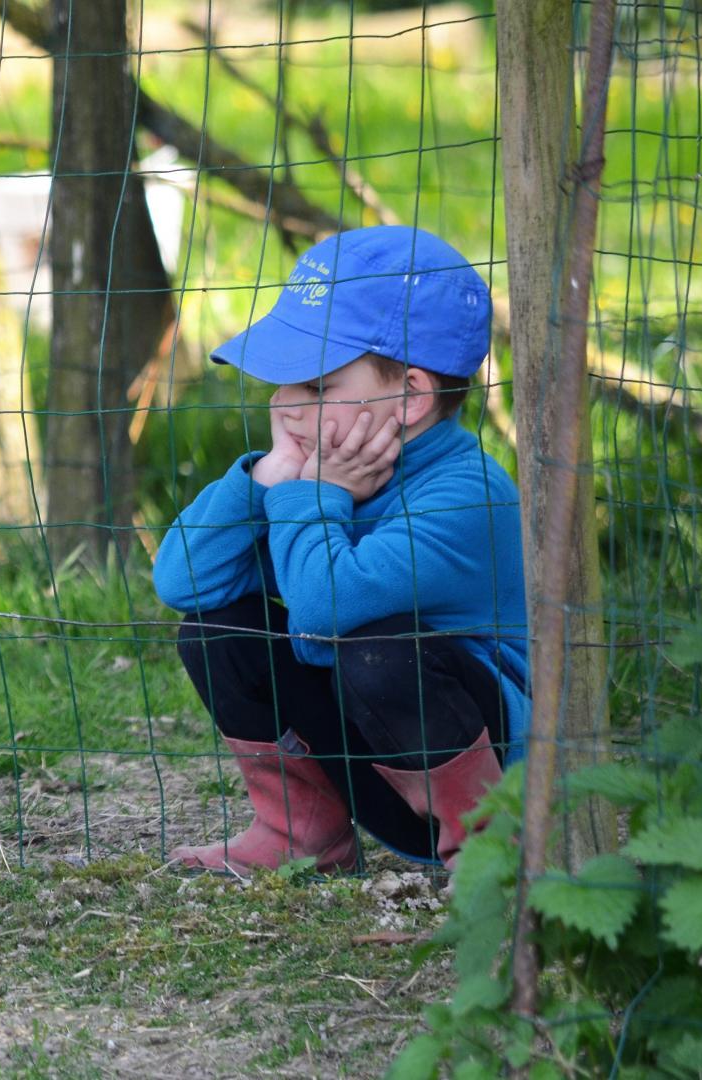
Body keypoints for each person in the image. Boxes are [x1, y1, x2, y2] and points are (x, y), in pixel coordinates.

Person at [153, 225, 529, 874]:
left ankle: (491, 853)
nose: (281, 405)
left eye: (315, 387)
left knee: (376, 652)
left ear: (410, 396)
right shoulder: (310, 476)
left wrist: (311, 497)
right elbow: (182, 581)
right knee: (215, 629)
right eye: (280, 381)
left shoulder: (467, 494)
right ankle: (303, 834)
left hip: (487, 765)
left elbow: (329, 610)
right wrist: (266, 478)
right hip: (372, 767)